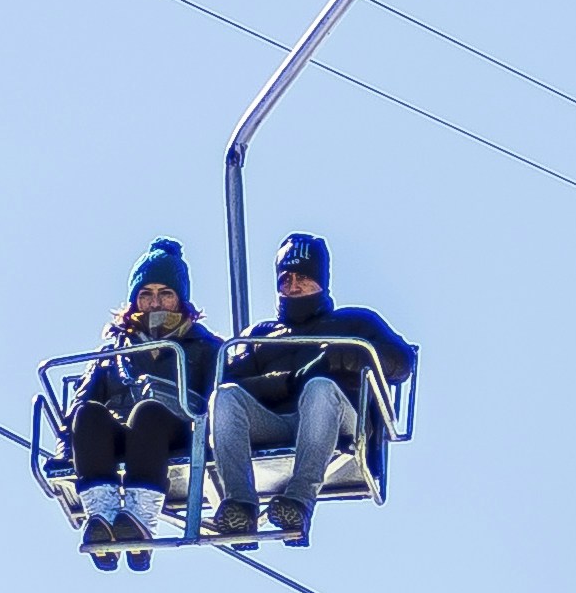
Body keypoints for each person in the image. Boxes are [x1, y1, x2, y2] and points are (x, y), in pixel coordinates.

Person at [207, 230, 415, 549]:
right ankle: (240, 505)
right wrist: (284, 381)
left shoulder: (355, 323)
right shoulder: (258, 336)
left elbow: (402, 363)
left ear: (321, 281)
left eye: (304, 277)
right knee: (225, 398)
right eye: (286, 278)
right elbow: (230, 382)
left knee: (319, 388)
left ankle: (298, 503)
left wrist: (363, 356)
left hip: (339, 420)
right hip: (275, 422)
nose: (294, 285)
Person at [62, 241, 221, 567]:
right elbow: (82, 400)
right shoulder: (114, 349)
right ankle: (102, 517)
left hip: (175, 428)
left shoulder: (202, 346)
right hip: (122, 432)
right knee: (90, 414)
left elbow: (218, 396)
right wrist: (66, 448)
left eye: (165, 294)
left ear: (180, 299)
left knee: (148, 413)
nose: (154, 303)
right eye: (146, 294)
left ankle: (139, 518)